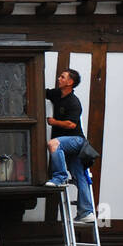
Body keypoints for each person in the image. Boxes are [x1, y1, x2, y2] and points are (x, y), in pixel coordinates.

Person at [45, 68, 95, 224]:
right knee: (80, 175)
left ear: (70, 82)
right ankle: (86, 213)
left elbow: (71, 124)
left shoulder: (74, 102)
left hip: (76, 140)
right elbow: (42, 91)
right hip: (69, 143)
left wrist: (54, 122)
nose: (59, 78)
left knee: (53, 144)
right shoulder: (57, 94)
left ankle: (60, 176)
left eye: (62, 77)